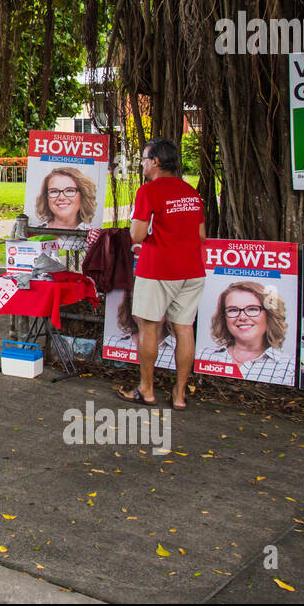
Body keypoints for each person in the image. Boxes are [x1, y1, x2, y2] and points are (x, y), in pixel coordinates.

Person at [118, 137, 206, 410]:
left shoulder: (148, 192)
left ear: (155, 162)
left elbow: (137, 235)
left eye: (144, 159)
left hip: (158, 269)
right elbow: (201, 235)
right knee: (184, 328)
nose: (142, 165)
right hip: (192, 270)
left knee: (147, 325)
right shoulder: (190, 192)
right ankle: (179, 395)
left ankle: (146, 389)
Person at [196, 281, 296, 385]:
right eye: (233, 310)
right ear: (224, 317)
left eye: (252, 309)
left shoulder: (290, 366)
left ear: (269, 315)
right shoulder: (204, 355)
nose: (242, 317)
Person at [33, 166, 98, 247]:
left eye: (70, 190)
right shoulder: (34, 232)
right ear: (46, 197)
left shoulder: (94, 237)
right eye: (54, 191)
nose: (61, 197)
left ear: (83, 195)